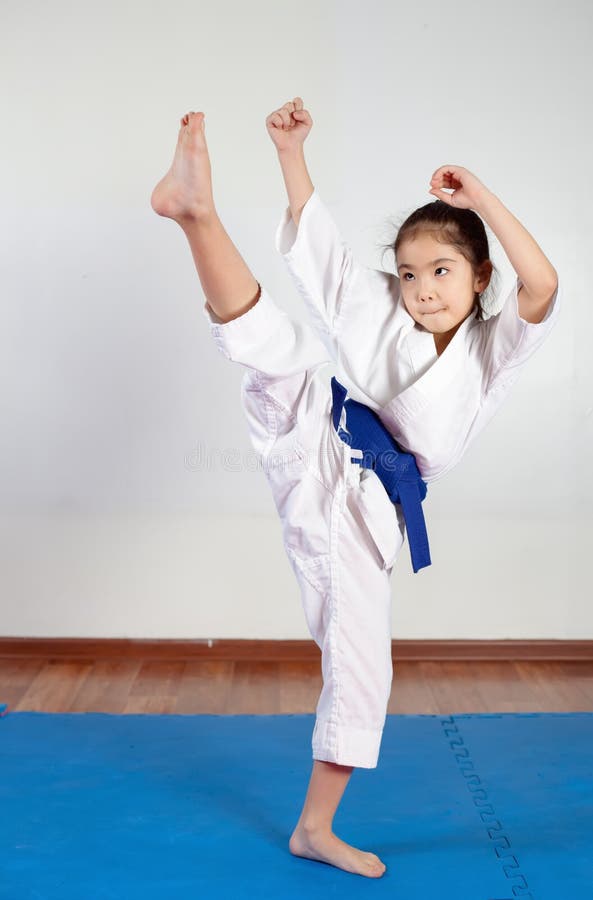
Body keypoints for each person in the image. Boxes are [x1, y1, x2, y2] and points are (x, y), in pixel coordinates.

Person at [150, 102, 560, 880]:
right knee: (284, 357)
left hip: (362, 507)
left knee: (362, 669)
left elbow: (540, 283)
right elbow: (322, 250)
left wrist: (478, 197)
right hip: (324, 445)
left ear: (478, 278)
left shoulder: (490, 350)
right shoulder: (379, 310)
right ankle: (195, 214)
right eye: (407, 273)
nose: (421, 288)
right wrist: (290, 151)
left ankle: (313, 827)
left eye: (441, 271)